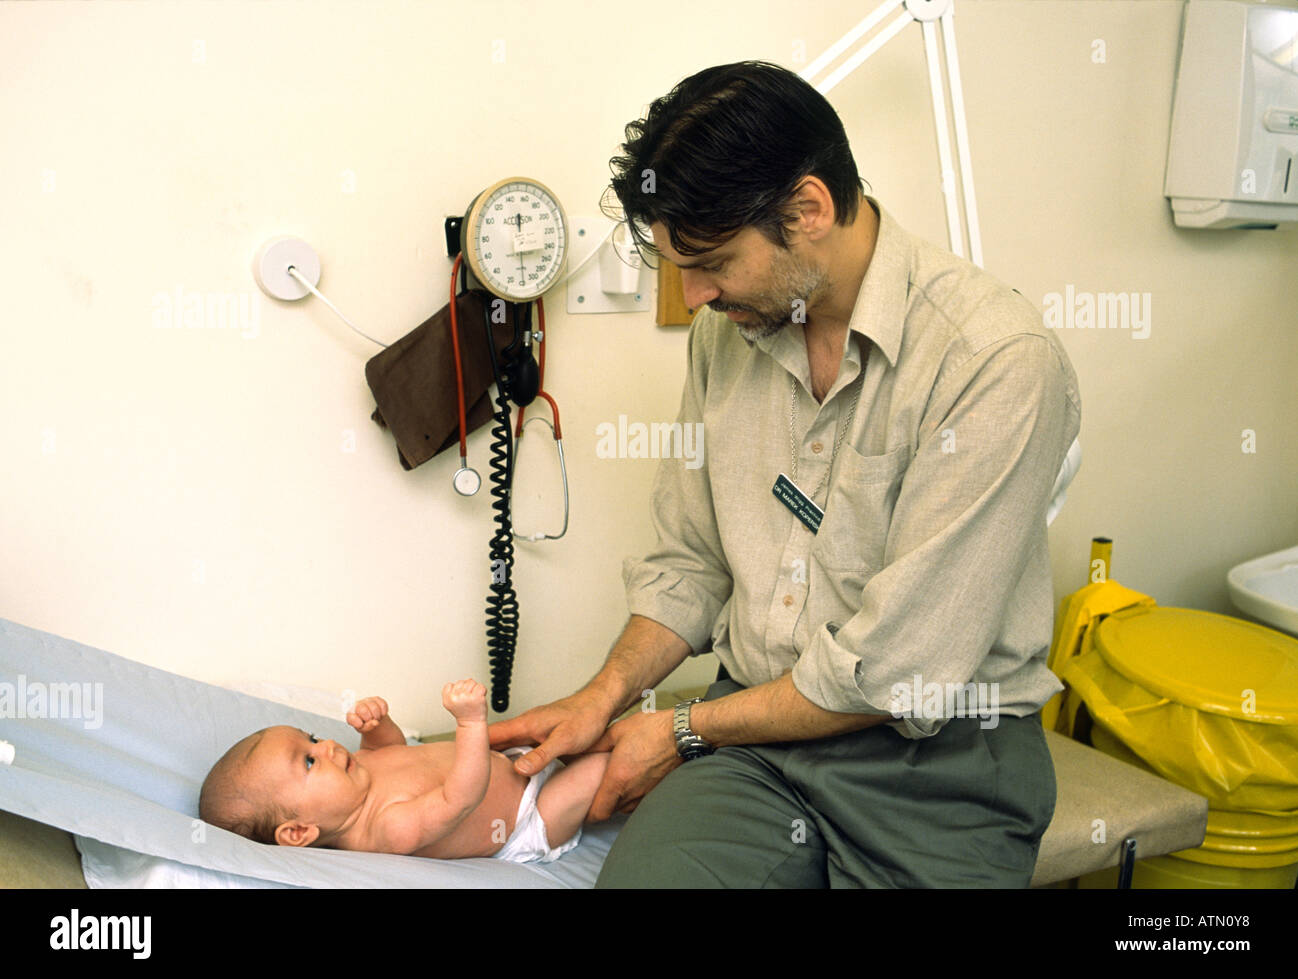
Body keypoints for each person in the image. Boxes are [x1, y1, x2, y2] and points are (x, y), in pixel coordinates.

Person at [488, 60, 1082, 888]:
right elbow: (690, 564)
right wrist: (606, 694)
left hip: (937, 767)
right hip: (758, 745)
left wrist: (684, 729)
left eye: (713, 261)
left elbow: (894, 672)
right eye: (676, 267)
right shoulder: (727, 338)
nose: (693, 296)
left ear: (809, 210)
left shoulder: (995, 361)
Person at [199, 680, 608, 864]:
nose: (325, 746)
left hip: (516, 761)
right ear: (298, 832)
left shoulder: (356, 773)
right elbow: (459, 799)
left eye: (312, 738)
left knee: (593, 732)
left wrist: (379, 726)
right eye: (308, 761)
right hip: (527, 816)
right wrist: (469, 725)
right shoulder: (386, 830)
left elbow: (394, 750)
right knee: (602, 765)